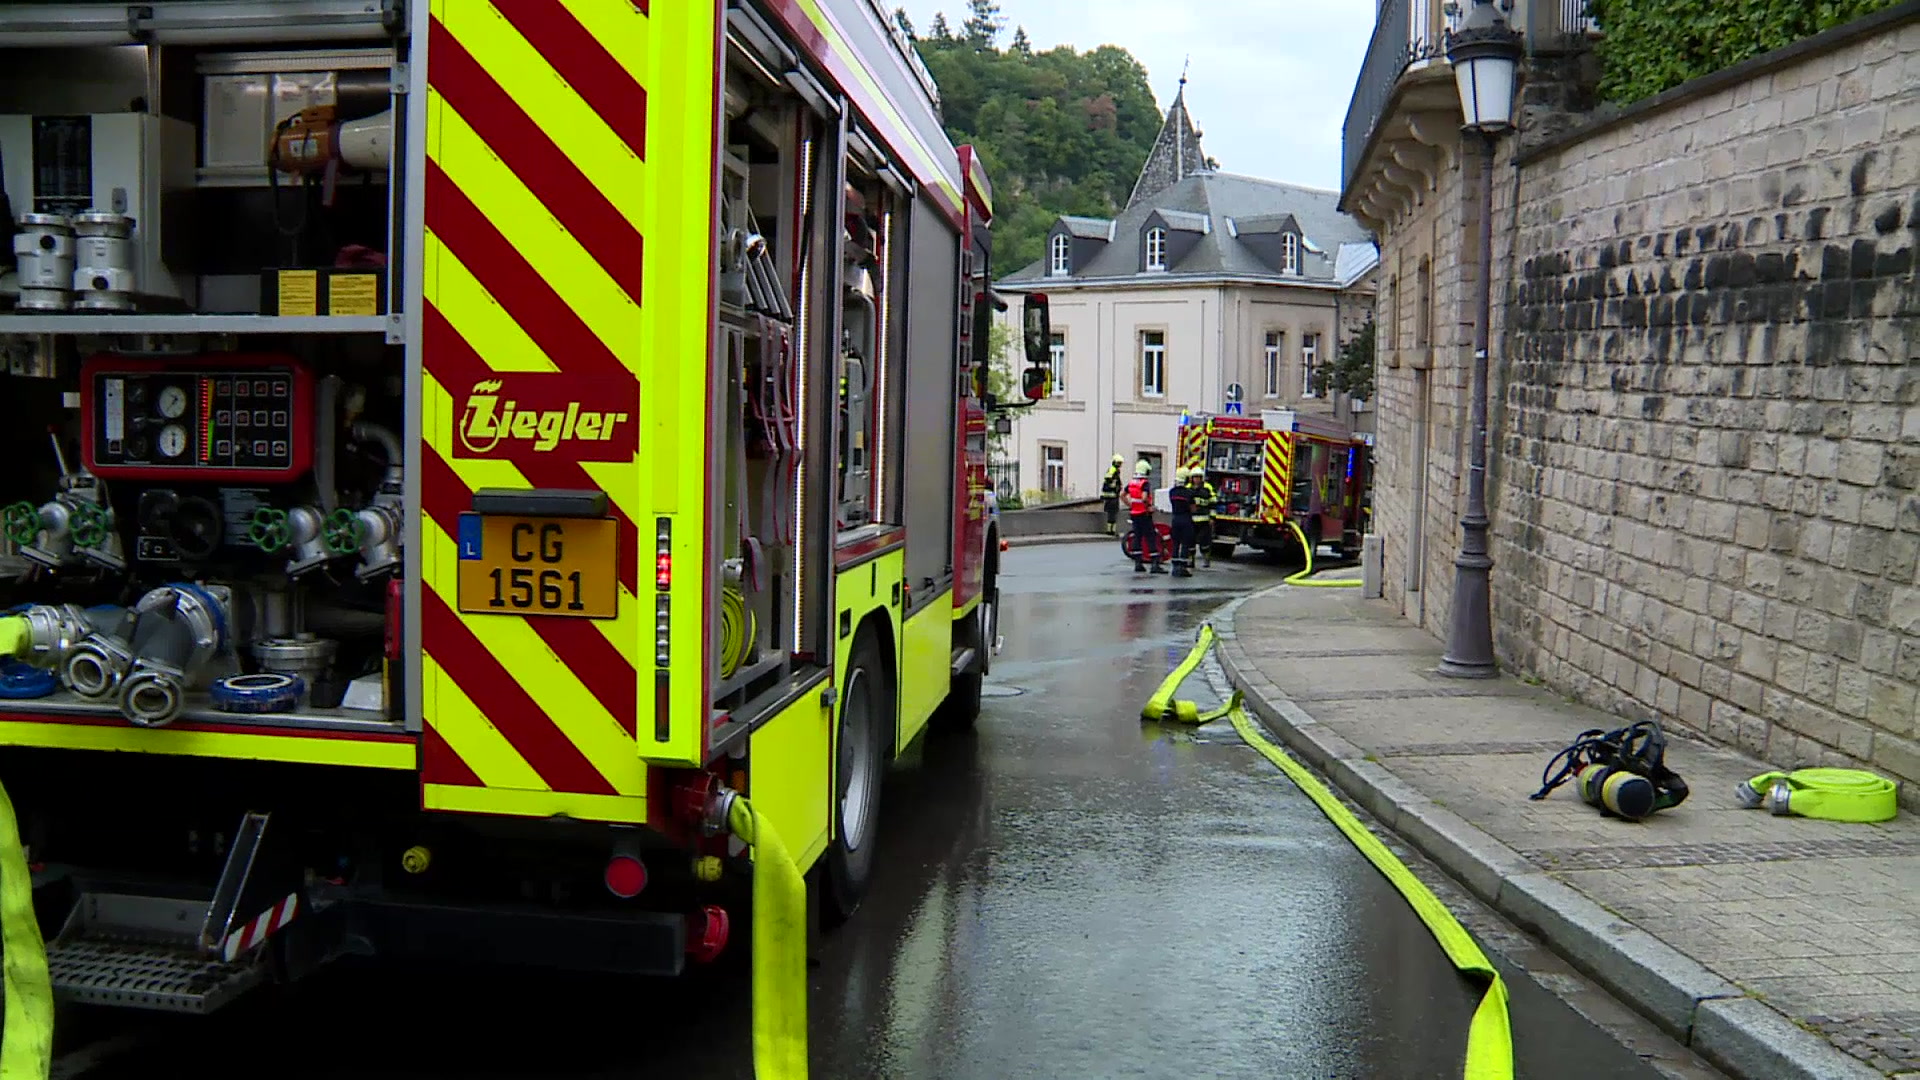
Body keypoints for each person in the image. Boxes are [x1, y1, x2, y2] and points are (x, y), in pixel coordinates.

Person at [1126, 460, 1165, 574]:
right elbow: (1144, 497)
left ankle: (1138, 564)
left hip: (1134, 514)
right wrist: (1149, 506)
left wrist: (1131, 505)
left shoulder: (1132, 483)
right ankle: (1154, 565)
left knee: (1137, 537)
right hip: (1144, 514)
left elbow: (1122, 495)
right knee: (1150, 537)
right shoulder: (1144, 484)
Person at [1167, 467, 1196, 578]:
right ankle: (1183, 567)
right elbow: (1193, 508)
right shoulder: (1189, 493)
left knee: (1175, 543)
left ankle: (1175, 566)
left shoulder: (1172, 492)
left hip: (1175, 519)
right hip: (1186, 519)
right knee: (1185, 543)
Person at [1191, 468, 1218, 567]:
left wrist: (1212, 517)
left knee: (1204, 541)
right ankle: (1191, 560)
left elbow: (1213, 503)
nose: (1196, 480)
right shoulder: (1188, 488)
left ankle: (1206, 558)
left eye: (1198, 477)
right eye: (1195, 477)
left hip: (1204, 520)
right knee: (1190, 541)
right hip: (1192, 520)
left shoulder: (1207, 488)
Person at [1100, 453, 1124, 535]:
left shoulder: (1114, 470)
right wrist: (1115, 487)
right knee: (1112, 513)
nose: (1120, 465)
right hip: (1112, 496)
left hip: (1111, 495)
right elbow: (1108, 479)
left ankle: (1111, 530)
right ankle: (1111, 531)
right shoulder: (1112, 469)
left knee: (1112, 514)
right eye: (1119, 463)